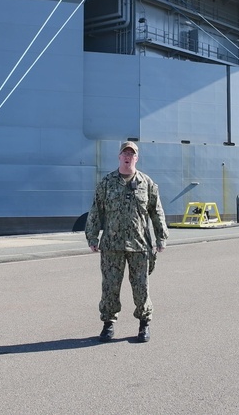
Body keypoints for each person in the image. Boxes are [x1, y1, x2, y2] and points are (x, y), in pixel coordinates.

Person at [85, 141, 168, 343]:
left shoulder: (146, 183)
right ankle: (108, 324)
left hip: (139, 245)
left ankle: (144, 324)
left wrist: (161, 237)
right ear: (119, 156)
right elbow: (96, 211)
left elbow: (156, 212)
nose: (128, 156)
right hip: (112, 245)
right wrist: (93, 236)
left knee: (141, 287)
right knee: (110, 287)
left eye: (132, 154)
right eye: (125, 153)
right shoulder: (107, 183)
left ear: (136, 158)